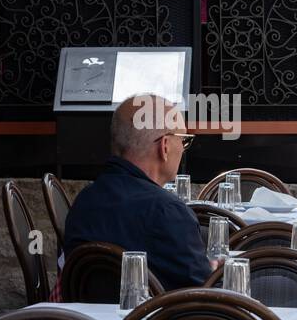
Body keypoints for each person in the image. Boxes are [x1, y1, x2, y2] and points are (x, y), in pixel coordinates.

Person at [62, 94, 210, 291]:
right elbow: (205, 298)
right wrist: (212, 270)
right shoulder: (169, 212)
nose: (183, 149)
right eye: (183, 141)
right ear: (164, 147)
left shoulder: (83, 202)